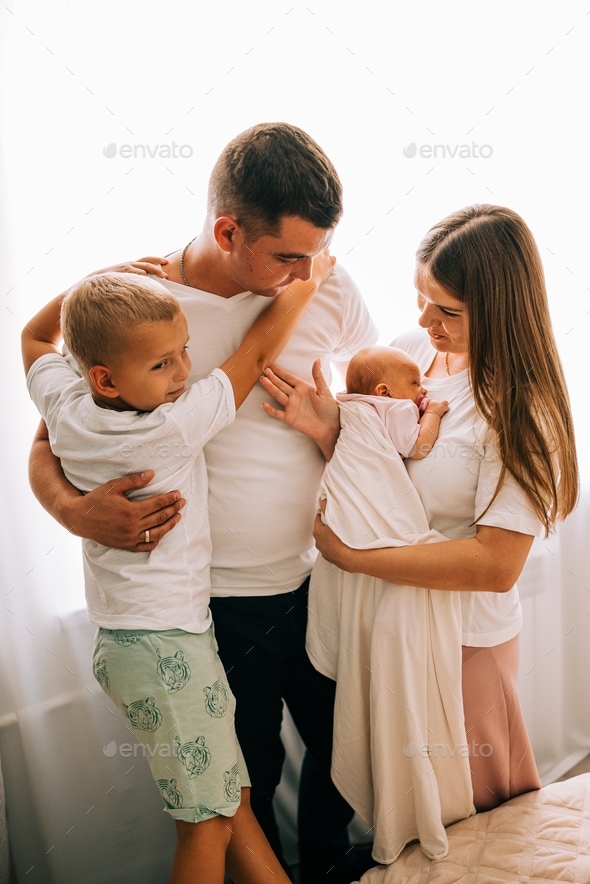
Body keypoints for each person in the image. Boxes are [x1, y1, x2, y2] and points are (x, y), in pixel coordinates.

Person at [27, 123, 379, 884]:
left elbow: (377, 415)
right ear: (228, 230)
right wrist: (71, 511)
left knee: (347, 745)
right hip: (211, 604)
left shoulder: (328, 281)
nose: (305, 271)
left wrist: (334, 427)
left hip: (319, 576)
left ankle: (325, 866)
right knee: (233, 784)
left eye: (315, 253)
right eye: (288, 256)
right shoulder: (143, 313)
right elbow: (51, 437)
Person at [260, 204, 579, 861]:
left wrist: (355, 556)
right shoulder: (411, 357)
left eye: (447, 312)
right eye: (420, 299)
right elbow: (383, 478)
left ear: (500, 309)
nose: (425, 322)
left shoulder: (519, 412)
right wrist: (328, 431)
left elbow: (494, 565)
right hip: (387, 623)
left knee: (473, 832)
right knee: (362, 776)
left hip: (464, 646)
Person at [22, 262, 331, 884]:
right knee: (207, 822)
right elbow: (259, 350)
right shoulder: (171, 425)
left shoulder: (70, 401)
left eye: (184, 352)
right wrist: (308, 283)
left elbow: (33, 339)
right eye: (162, 364)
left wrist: (93, 282)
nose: (183, 373)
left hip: (146, 641)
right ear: (106, 376)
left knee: (229, 801)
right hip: (166, 647)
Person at [343, 346, 449, 459]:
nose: (424, 390)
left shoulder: (347, 405)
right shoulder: (397, 408)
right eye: (415, 383)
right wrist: (432, 413)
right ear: (385, 392)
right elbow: (417, 449)